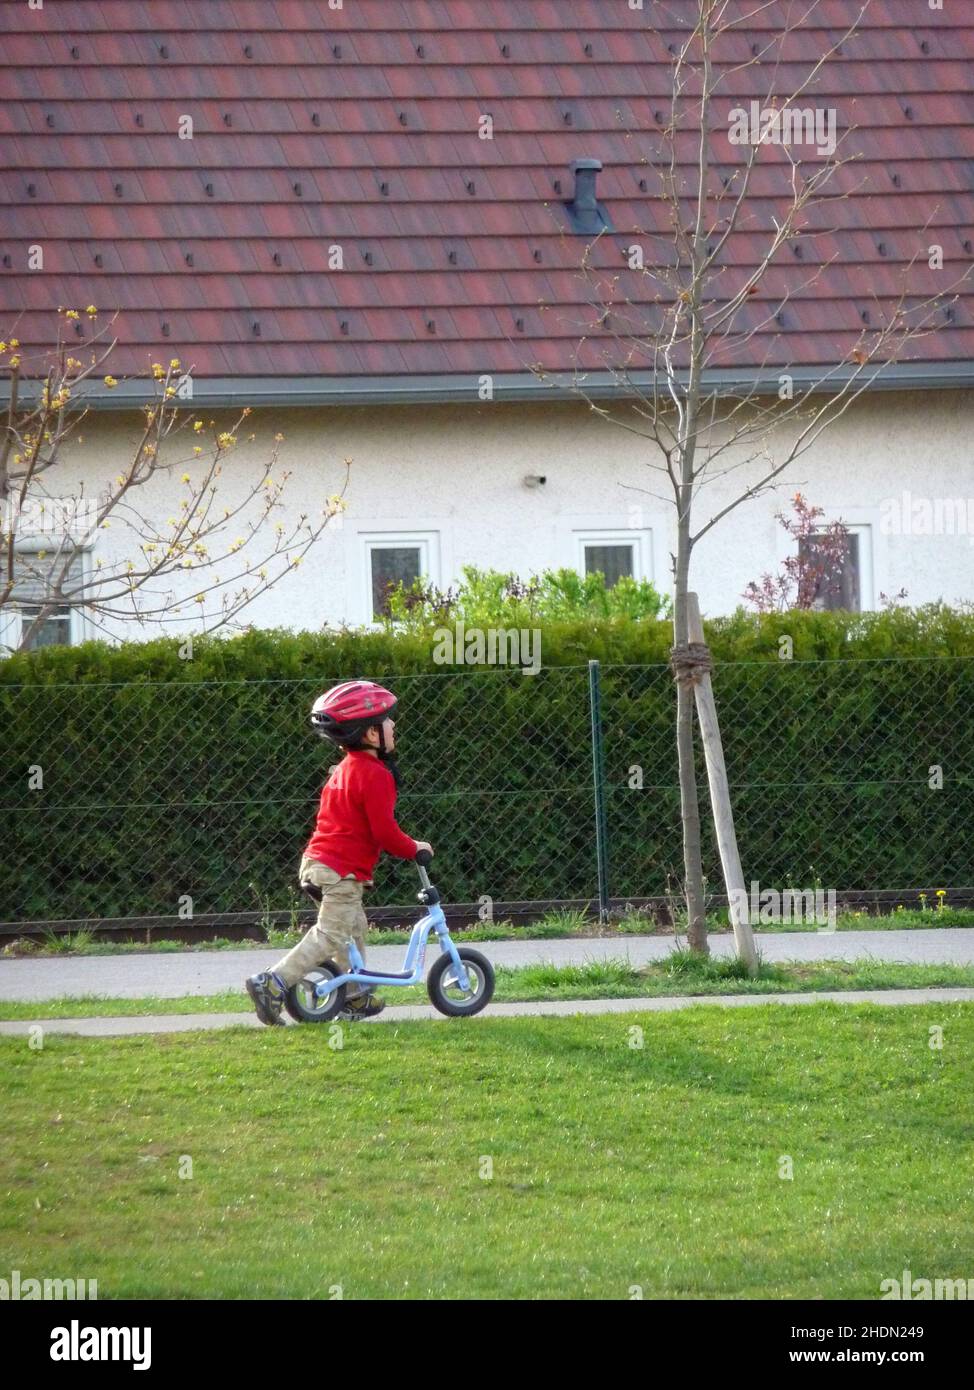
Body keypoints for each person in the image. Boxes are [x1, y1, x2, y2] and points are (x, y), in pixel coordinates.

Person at [245, 680, 432, 1026]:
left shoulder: (345, 768)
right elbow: (384, 832)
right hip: (339, 871)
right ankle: (273, 981)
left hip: (318, 864)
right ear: (372, 735)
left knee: (353, 926)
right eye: (388, 720)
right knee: (331, 933)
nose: (394, 725)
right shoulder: (375, 775)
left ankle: (354, 996)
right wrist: (414, 848)